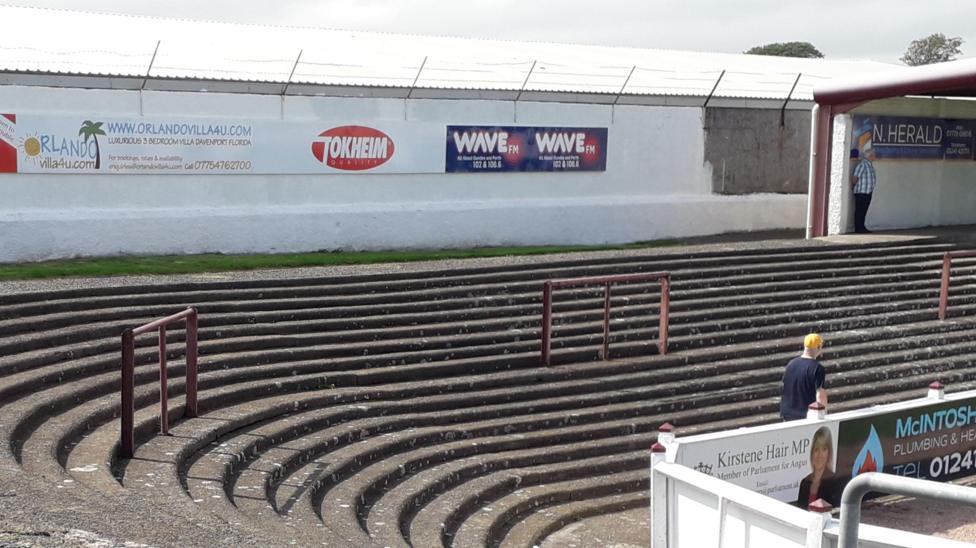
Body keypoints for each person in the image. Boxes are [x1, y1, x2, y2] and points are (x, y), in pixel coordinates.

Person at [779, 333, 827, 421]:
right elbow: (820, 395)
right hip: (806, 415)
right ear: (819, 347)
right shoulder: (817, 368)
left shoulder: (791, 364)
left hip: (787, 413)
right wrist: (822, 414)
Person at [796, 426, 841, 507]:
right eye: (816, 449)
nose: (820, 455)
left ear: (829, 452)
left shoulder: (835, 482)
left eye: (824, 449)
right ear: (812, 453)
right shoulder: (805, 482)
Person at [851, 143, 877, 234]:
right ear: (870, 156)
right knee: (860, 211)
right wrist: (854, 185)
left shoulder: (869, 165)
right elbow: (855, 178)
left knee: (864, 210)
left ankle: (862, 227)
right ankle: (858, 228)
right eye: (874, 155)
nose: (875, 157)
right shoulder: (862, 165)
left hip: (868, 192)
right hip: (861, 192)